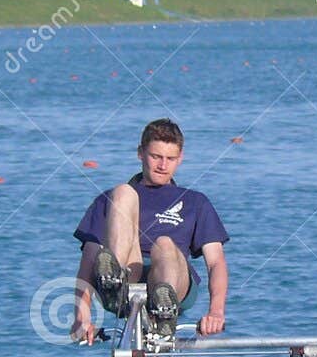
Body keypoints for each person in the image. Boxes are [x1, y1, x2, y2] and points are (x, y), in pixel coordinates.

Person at [71, 118, 229, 345]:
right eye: (156, 156)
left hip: (173, 277)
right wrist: (81, 315)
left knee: (164, 244)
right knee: (123, 192)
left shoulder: (196, 202)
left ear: (180, 158)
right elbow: (89, 258)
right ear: (140, 153)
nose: (163, 165)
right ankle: (114, 283)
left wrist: (216, 311)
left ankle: (164, 310)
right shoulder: (108, 200)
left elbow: (216, 262)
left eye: (170, 159)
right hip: (129, 271)